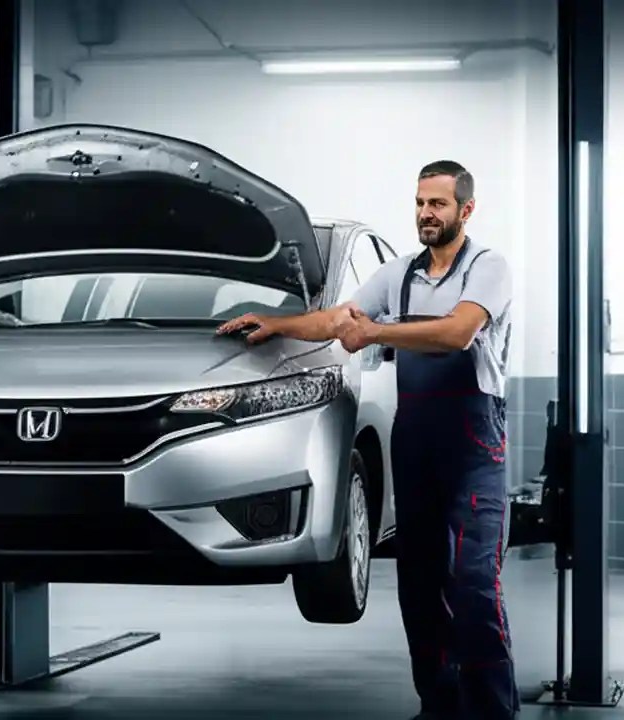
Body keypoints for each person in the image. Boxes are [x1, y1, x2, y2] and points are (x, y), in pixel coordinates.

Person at [217, 160, 518, 720]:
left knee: (475, 587)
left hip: (475, 449)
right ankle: (439, 707)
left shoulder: (487, 267)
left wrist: (375, 332)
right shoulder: (399, 274)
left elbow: (457, 332)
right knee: (420, 587)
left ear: (466, 210)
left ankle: (495, 712)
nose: (426, 214)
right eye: (421, 203)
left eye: (439, 204)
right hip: (417, 444)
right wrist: (277, 324)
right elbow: (337, 320)